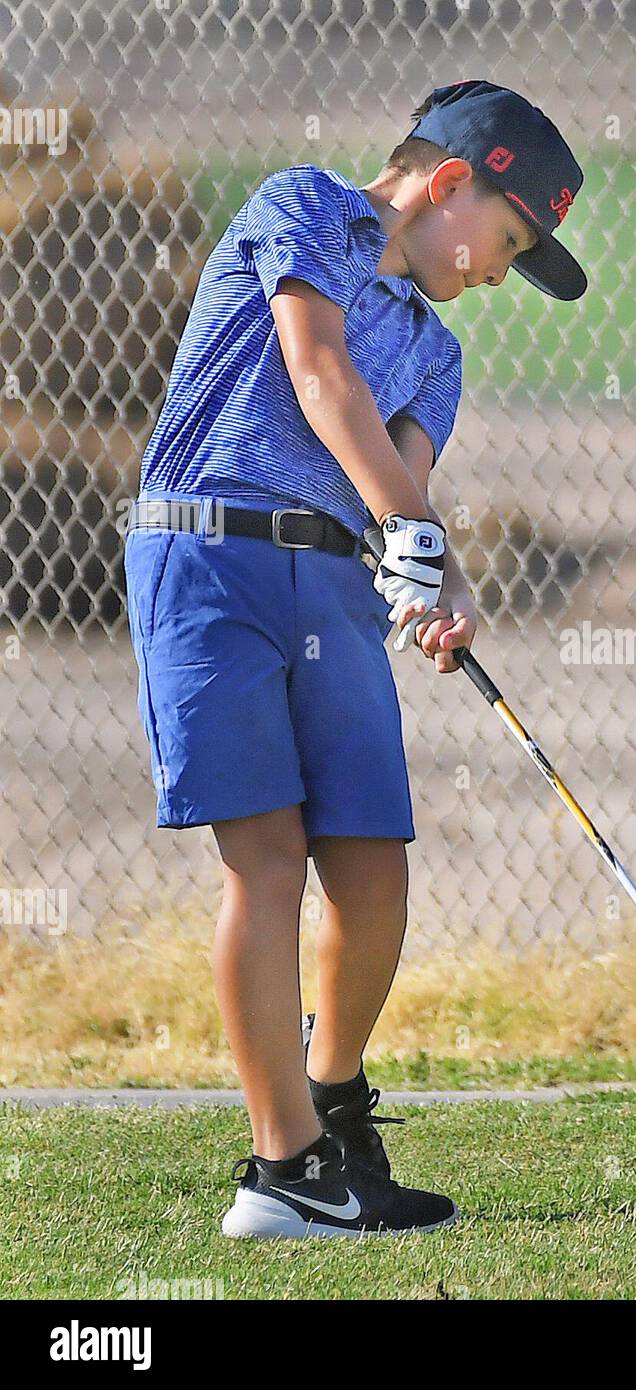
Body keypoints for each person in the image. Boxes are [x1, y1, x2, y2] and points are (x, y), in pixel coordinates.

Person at [122, 79, 587, 1237]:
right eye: (508, 238)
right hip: (206, 553)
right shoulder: (307, 212)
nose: (496, 272)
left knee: (374, 873)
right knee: (268, 861)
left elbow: (405, 491)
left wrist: (445, 586)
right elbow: (317, 370)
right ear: (446, 185)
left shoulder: (438, 355)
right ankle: (283, 1172)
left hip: (331, 584)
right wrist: (409, 529)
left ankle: (334, 1102)